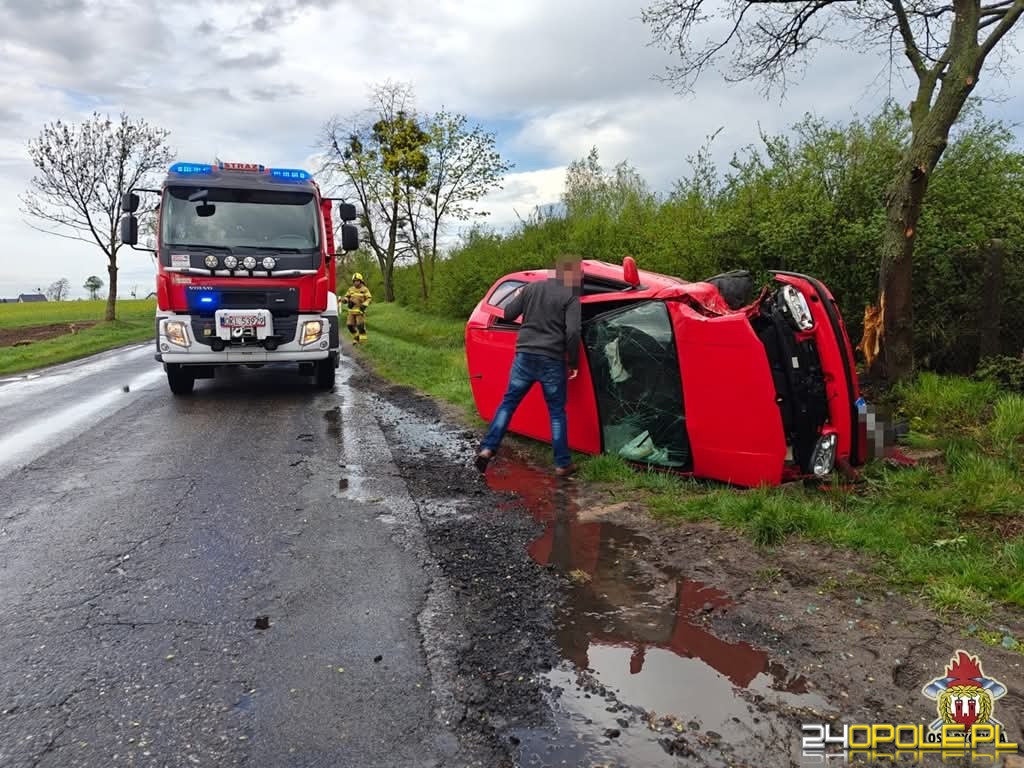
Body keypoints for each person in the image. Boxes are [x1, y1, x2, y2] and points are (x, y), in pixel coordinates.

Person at [475, 255, 582, 477]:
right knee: (556, 412)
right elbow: (573, 332)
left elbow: (508, 314)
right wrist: (573, 362)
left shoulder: (531, 288)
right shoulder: (570, 297)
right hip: (552, 360)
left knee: (508, 403)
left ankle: (488, 449)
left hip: (524, 357)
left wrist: (517, 295)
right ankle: (562, 463)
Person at [344, 273, 372, 344]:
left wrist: (364, 305)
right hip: (351, 312)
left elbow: (369, 298)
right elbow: (347, 296)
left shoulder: (364, 289)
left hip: (360, 311)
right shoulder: (350, 289)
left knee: (360, 326)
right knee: (349, 325)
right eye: (354, 281)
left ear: (360, 281)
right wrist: (346, 300)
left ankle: (363, 341)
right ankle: (356, 337)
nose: (356, 282)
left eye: (357, 281)